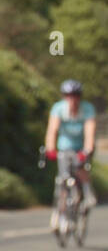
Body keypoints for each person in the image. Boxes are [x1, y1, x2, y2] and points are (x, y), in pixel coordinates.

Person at [45, 79, 97, 228]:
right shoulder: (58, 109)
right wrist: (50, 148)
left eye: (75, 95)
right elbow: (52, 130)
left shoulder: (87, 109)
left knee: (80, 167)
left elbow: (89, 132)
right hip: (64, 147)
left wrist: (86, 150)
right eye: (68, 95)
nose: (72, 99)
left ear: (79, 97)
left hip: (81, 146)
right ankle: (63, 214)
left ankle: (88, 193)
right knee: (63, 179)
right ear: (64, 96)